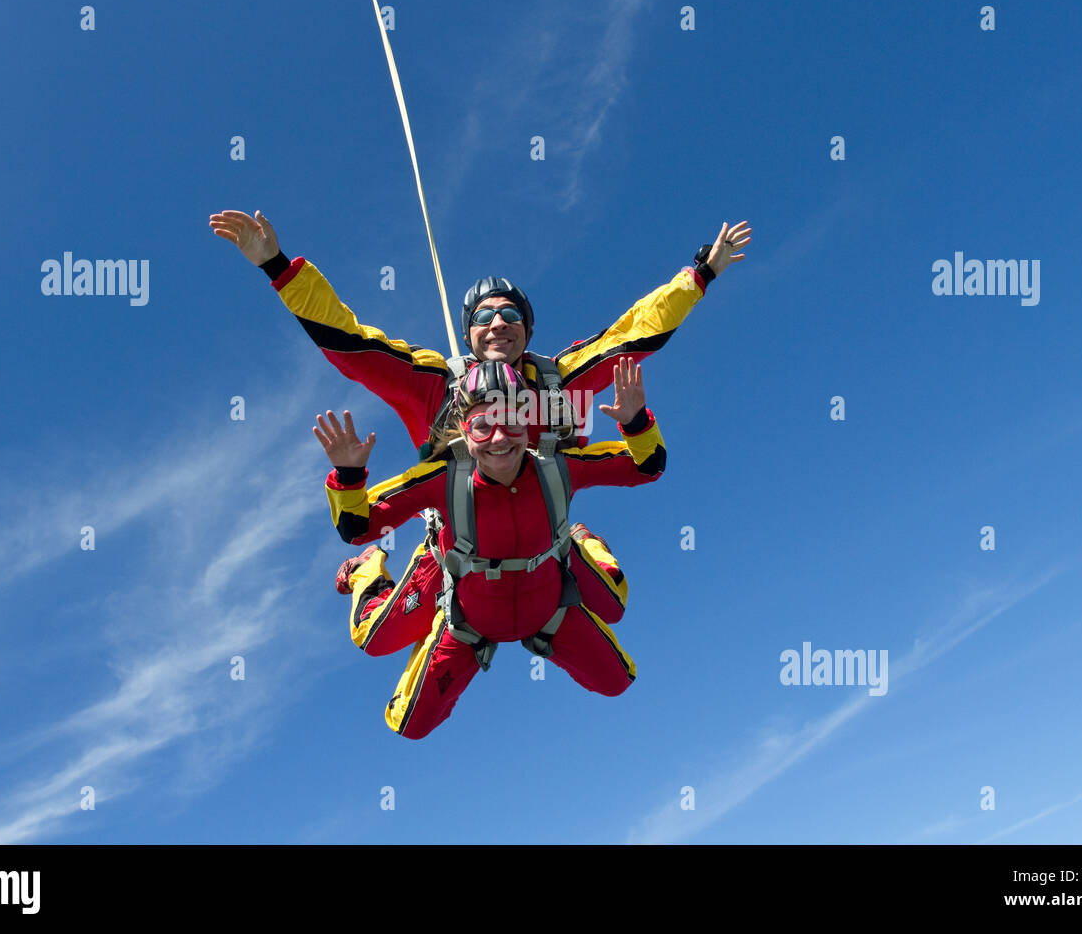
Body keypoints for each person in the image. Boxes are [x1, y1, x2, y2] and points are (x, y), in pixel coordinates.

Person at [209, 209, 748, 656]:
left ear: (527, 330)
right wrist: (277, 266)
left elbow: (633, 333)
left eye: (512, 313)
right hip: (455, 549)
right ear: (468, 333)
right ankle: (367, 571)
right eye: (484, 316)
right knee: (375, 639)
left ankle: (581, 540)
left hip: (544, 540)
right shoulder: (435, 387)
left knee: (613, 603)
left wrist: (701, 273)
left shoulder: (559, 383)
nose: (498, 322)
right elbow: (351, 345)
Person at [314, 358, 663, 739]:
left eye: (511, 423)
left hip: (551, 609)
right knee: (403, 714)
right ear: (465, 432)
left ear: (527, 424)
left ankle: (584, 541)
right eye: (483, 427)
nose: (499, 439)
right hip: (469, 624)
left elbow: (645, 468)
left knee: (618, 674)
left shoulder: (558, 467)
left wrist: (636, 422)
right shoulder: (442, 479)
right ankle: (368, 572)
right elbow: (358, 526)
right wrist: (348, 475)